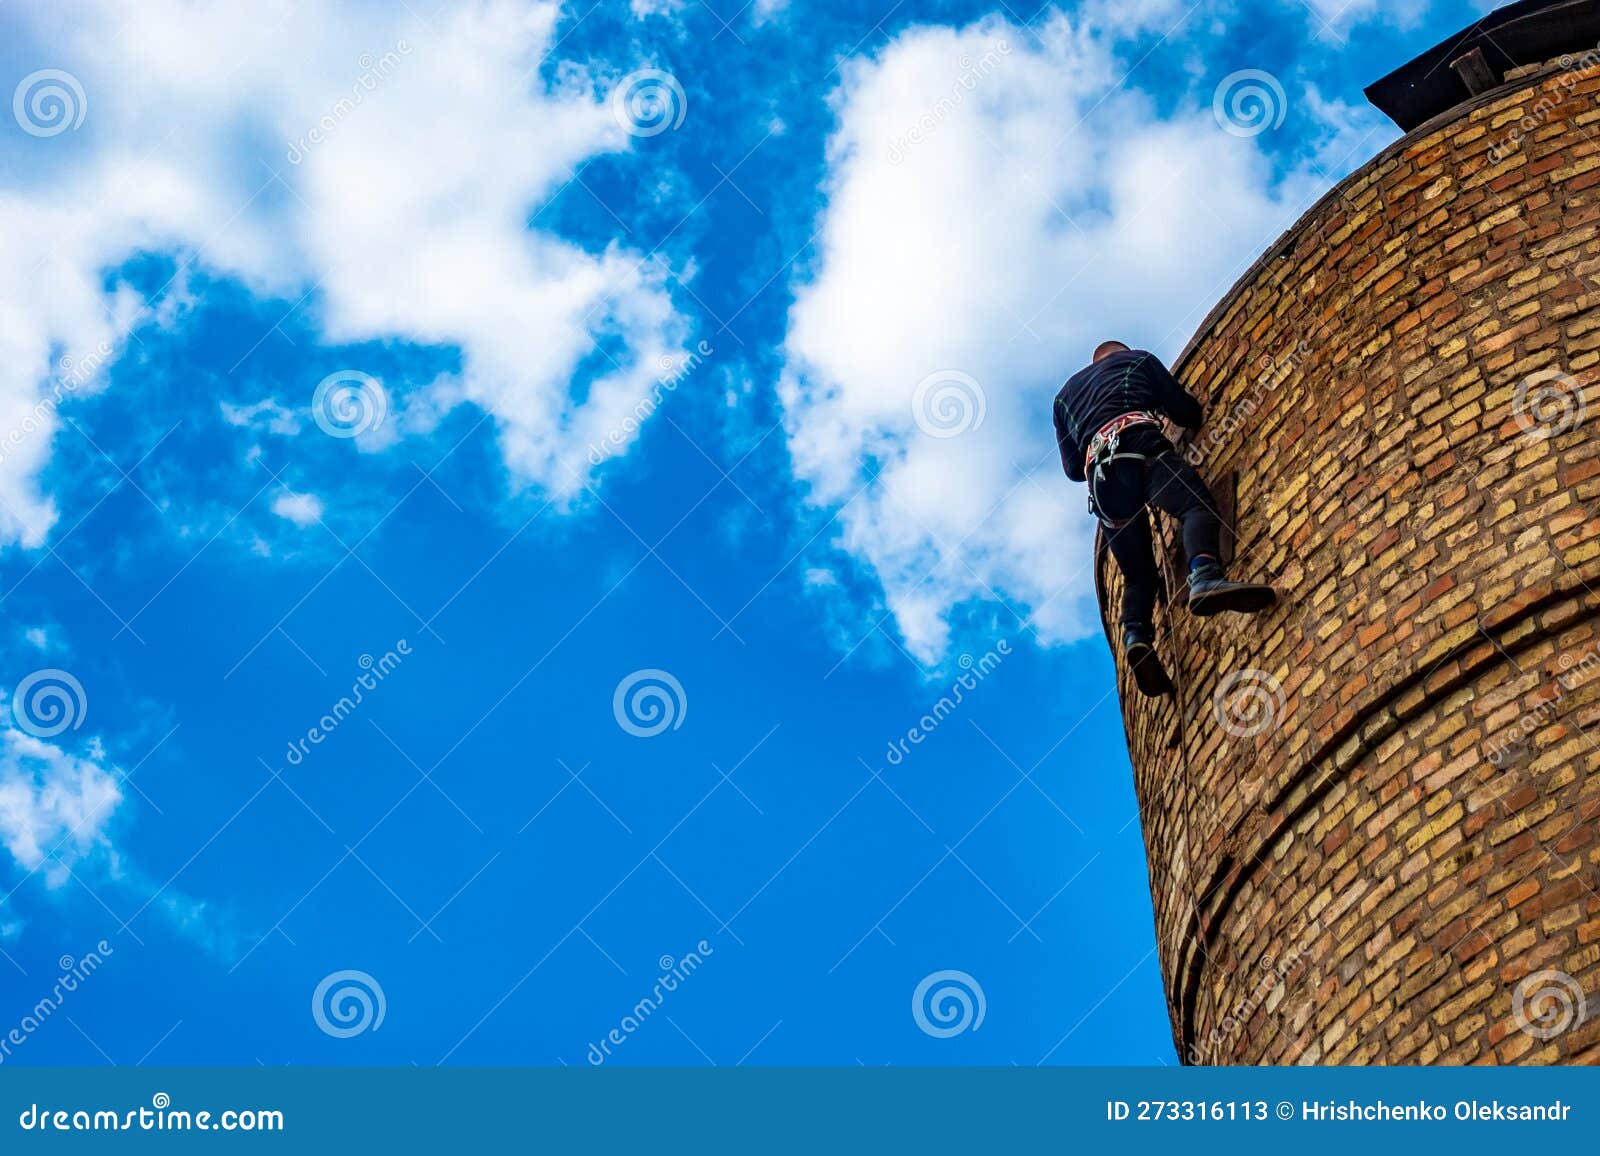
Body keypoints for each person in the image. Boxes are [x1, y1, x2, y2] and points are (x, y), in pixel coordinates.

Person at [1054, 341, 1276, 697]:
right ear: (1120, 352)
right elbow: (1185, 410)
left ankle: (1136, 636)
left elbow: (1071, 469)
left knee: (1138, 574)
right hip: (1141, 447)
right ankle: (1204, 576)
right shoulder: (1138, 359)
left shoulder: (1064, 398)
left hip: (1102, 482)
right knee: (1195, 508)